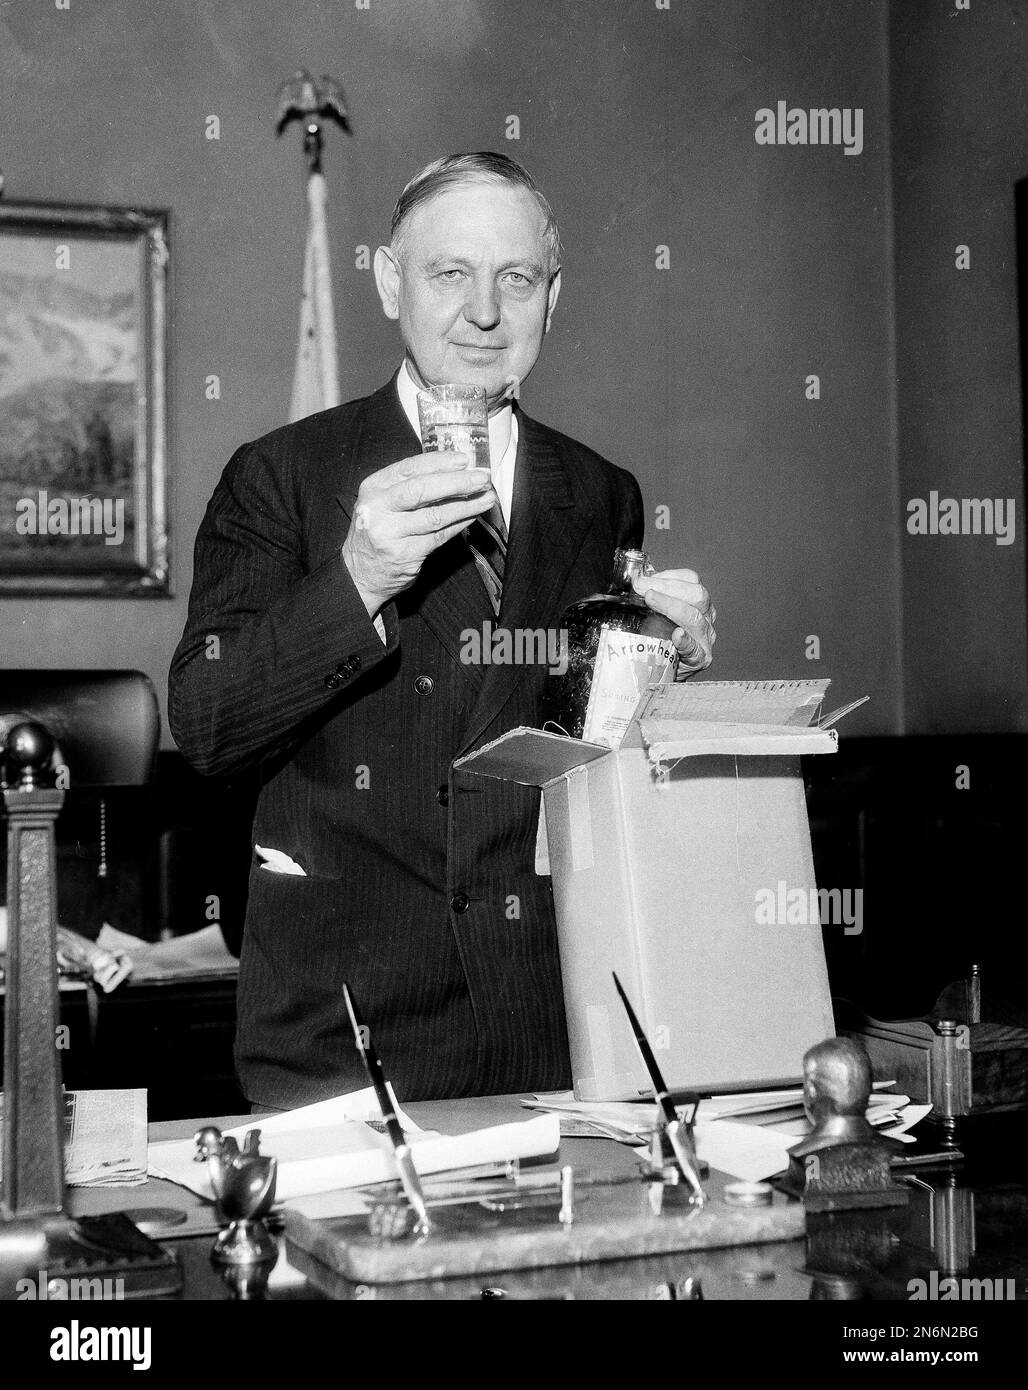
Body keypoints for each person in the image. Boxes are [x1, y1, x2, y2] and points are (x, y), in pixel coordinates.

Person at [169, 152, 716, 1109]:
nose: (484, 312)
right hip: (346, 1036)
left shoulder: (599, 493)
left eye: (516, 278)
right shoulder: (282, 475)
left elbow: (589, 757)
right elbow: (208, 726)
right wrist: (357, 578)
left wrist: (669, 667)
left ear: (554, 297)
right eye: (448, 273)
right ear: (389, 282)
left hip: (555, 1025)